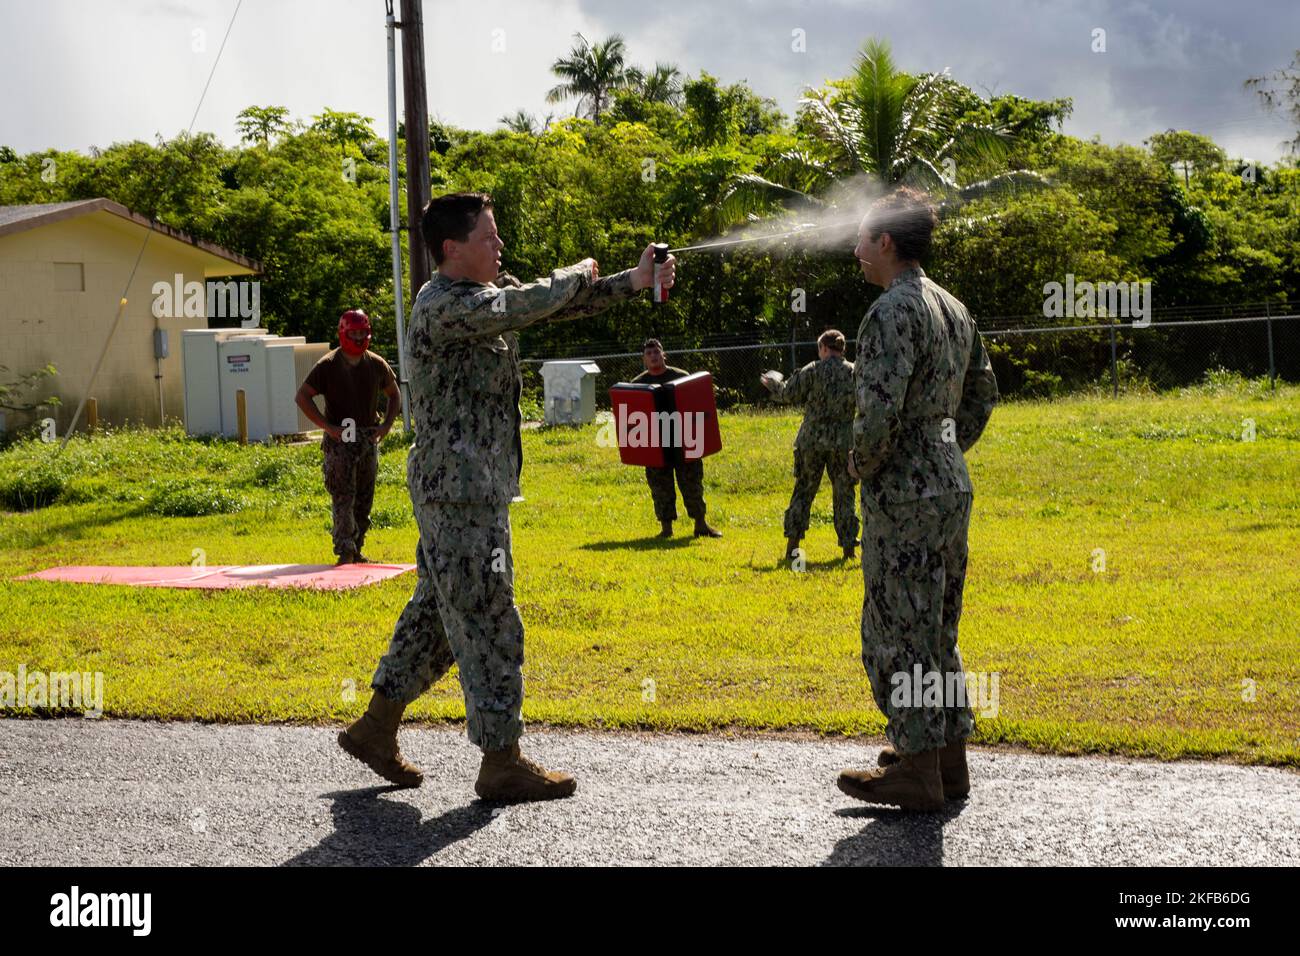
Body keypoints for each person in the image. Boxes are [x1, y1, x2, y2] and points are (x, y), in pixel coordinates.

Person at [338, 191, 676, 802]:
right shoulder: (443, 306)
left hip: (470, 489)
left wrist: (634, 280)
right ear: (452, 249)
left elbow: (549, 307)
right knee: (490, 615)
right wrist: (576, 272)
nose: (500, 247)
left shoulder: (483, 301)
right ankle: (501, 759)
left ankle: (376, 727)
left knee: (439, 611)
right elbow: (529, 301)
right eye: (489, 239)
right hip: (459, 492)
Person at [835, 187, 998, 811]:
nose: (855, 250)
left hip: (902, 495)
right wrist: (945, 450)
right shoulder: (953, 307)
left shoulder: (889, 312)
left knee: (895, 633)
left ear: (886, 242)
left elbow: (876, 412)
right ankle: (946, 764)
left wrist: (862, 464)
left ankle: (915, 770)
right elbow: (984, 393)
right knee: (935, 630)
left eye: (861, 239)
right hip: (948, 486)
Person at [295, 310, 401, 565]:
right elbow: (302, 397)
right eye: (353, 333)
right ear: (343, 333)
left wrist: (386, 425)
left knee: (365, 496)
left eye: (362, 332)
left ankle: (358, 547)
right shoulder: (328, 365)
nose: (359, 337)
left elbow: (394, 395)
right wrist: (327, 426)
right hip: (340, 440)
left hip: (367, 437)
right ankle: (345, 551)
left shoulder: (376, 363)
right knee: (343, 496)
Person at [761, 329, 858, 562]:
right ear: (842, 349)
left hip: (811, 441)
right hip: (843, 441)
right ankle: (848, 549)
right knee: (844, 493)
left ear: (824, 348)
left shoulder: (812, 370)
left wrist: (772, 383)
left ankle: (792, 548)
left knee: (804, 491)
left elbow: (787, 394)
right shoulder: (855, 372)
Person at [630, 339, 722, 539]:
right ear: (644, 359)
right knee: (660, 487)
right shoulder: (637, 383)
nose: (654, 356)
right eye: (649, 353)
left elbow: (697, 405)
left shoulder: (681, 377)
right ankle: (666, 529)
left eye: (657, 351)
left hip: (684, 440)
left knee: (692, 483)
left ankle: (701, 525)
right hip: (656, 444)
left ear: (664, 354)